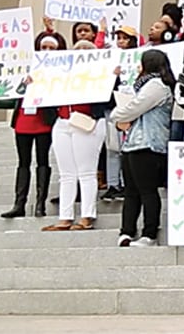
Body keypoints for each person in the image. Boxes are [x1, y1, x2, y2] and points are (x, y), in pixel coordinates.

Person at [0, 22, 64, 218]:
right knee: (23, 162)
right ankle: (19, 204)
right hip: (23, 121)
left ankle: (40, 203)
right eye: (44, 47)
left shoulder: (59, 69)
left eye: (52, 47)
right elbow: (13, 96)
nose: (47, 50)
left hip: (44, 121)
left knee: (42, 161)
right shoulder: (24, 67)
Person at [41, 39, 110, 231]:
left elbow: (110, 96)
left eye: (86, 51)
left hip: (87, 121)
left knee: (87, 172)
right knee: (66, 173)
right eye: (77, 50)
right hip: (63, 122)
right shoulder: (62, 73)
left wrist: (114, 76)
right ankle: (65, 216)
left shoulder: (101, 73)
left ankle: (87, 215)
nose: (81, 53)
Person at [111, 49, 174, 246]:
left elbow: (135, 107)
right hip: (133, 143)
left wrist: (116, 116)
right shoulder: (143, 85)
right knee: (131, 190)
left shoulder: (156, 85)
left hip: (149, 144)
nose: (138, 66)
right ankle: (127, 231)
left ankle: (150, 233)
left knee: (147, 190)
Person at [101, 26, 141, 203]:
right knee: (112, 147)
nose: (121, 41)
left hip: (133, 106)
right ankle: (112, 184)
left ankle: (127, 183)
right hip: (113, 106)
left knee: (127, 146)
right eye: (119, 38)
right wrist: (112, 75)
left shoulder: (140, 58)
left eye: (125, 38)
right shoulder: (111, 59)